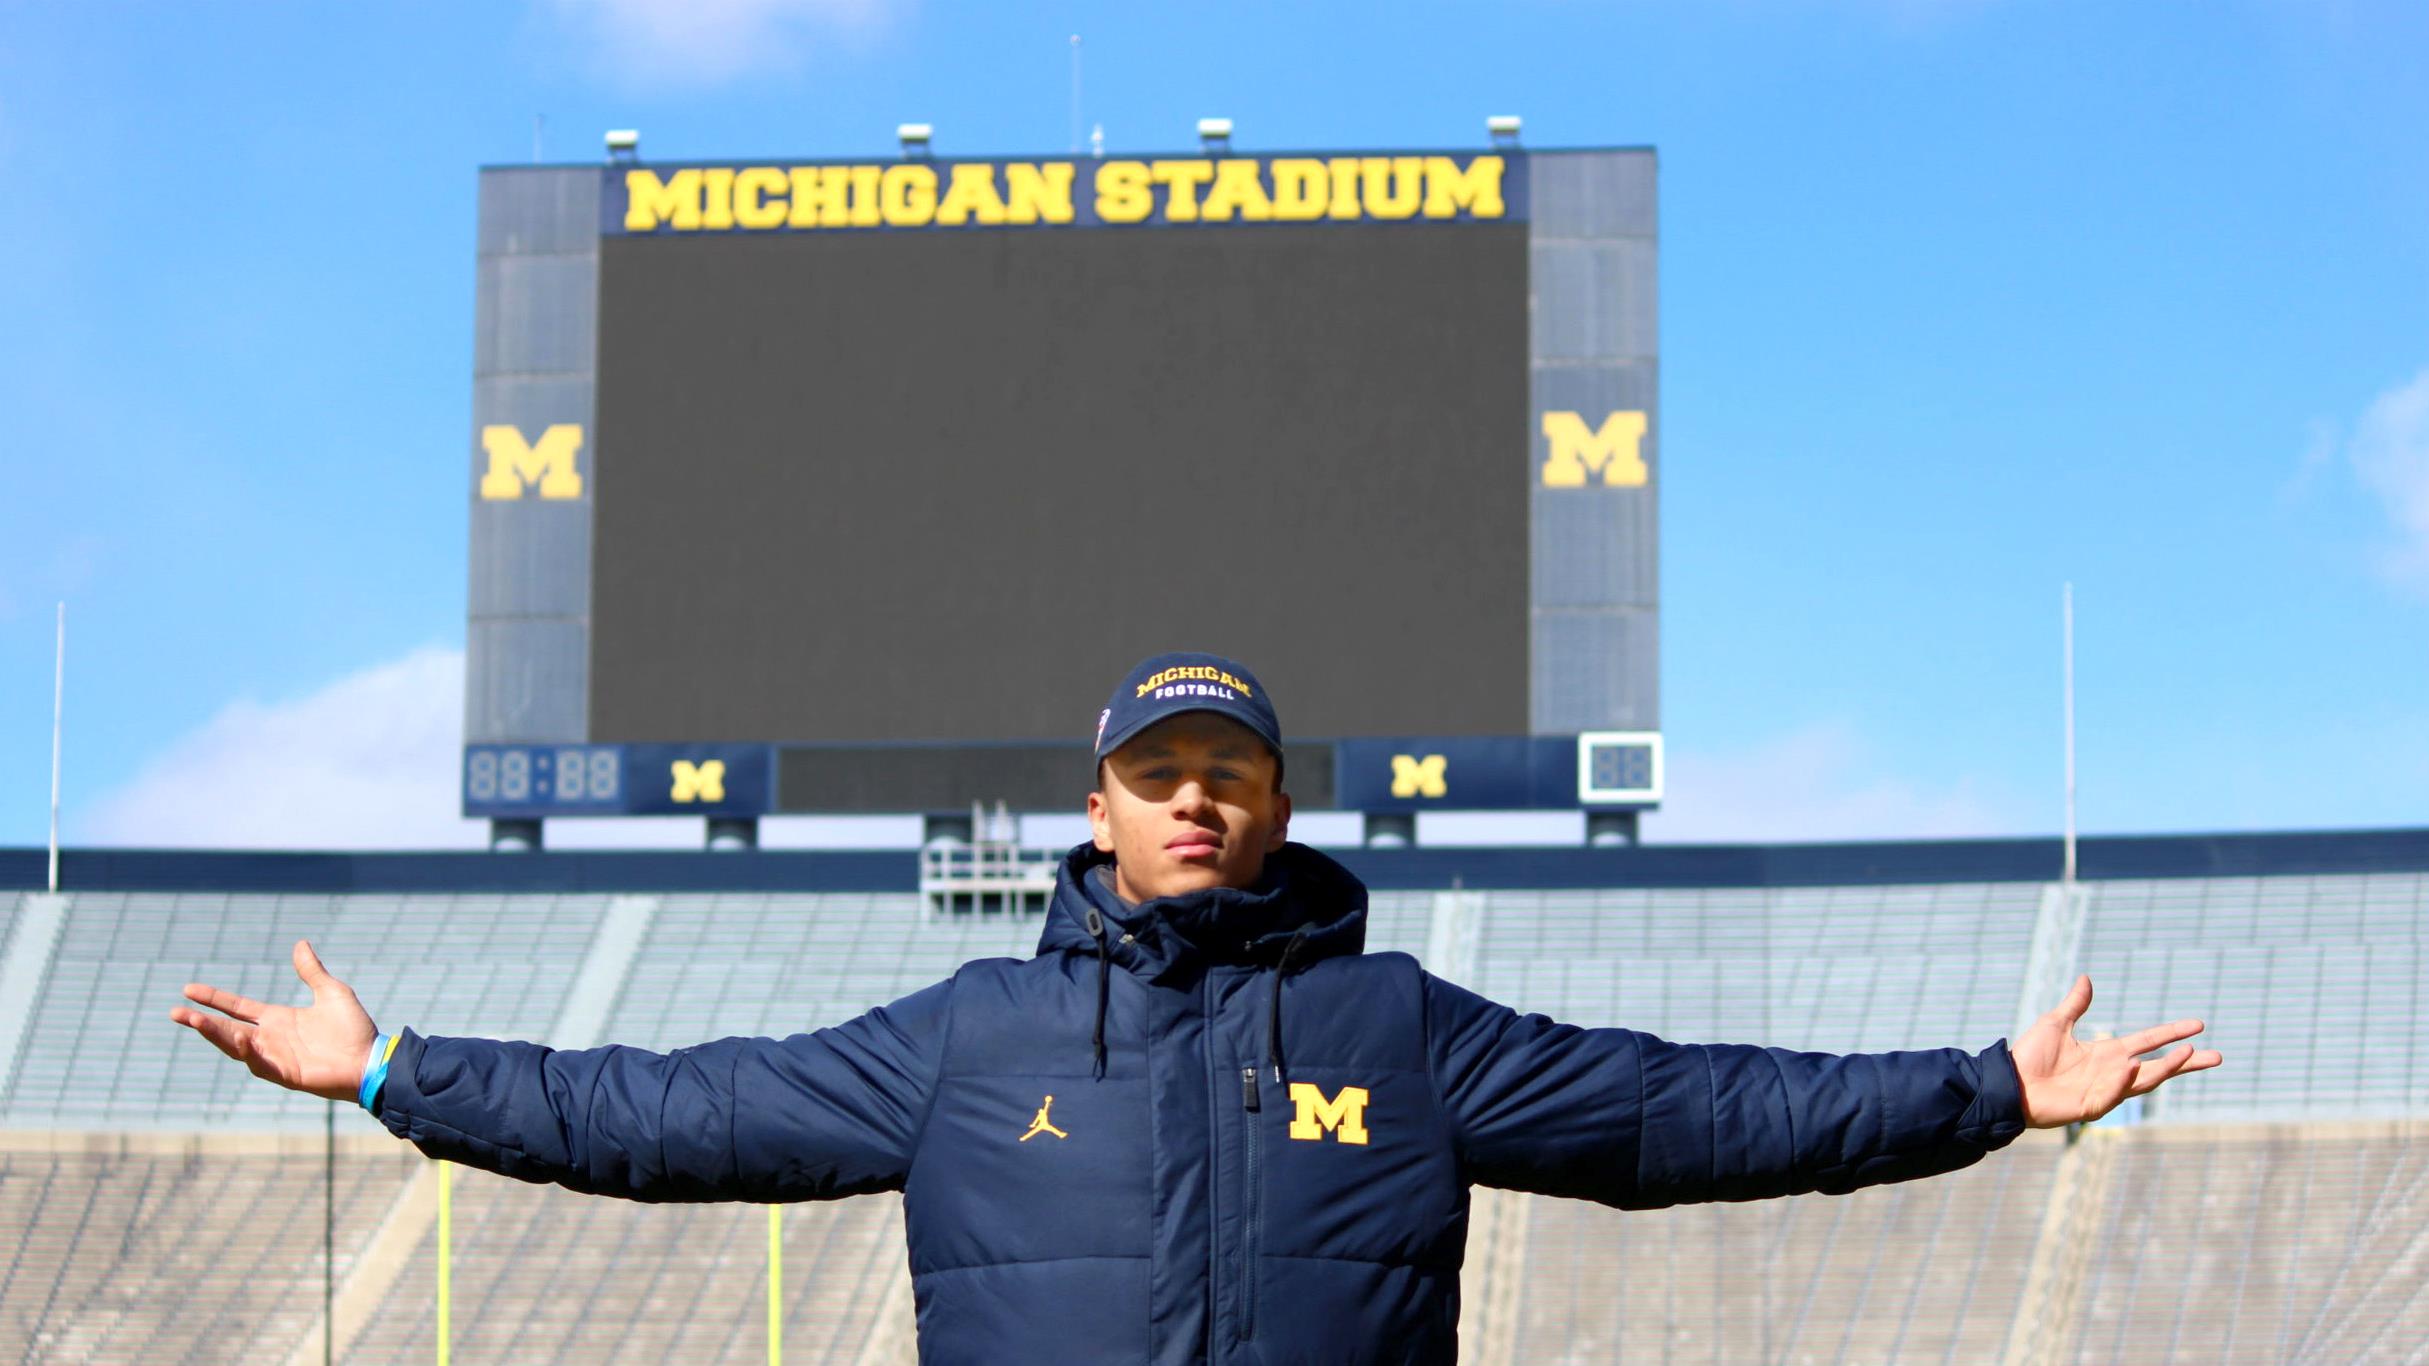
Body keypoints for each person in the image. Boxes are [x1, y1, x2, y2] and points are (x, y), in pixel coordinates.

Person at [169, 650, 2221, 1365]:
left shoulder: (1403, 1029)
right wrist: (400, 1074)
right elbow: (673, 1109)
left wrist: (1982, 1087)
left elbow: (1689, 1112)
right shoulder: (968, 1034)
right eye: (1159, 767)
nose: (1192, 793)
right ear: (1099, 805)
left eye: (1228, 765)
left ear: (1275, 802)